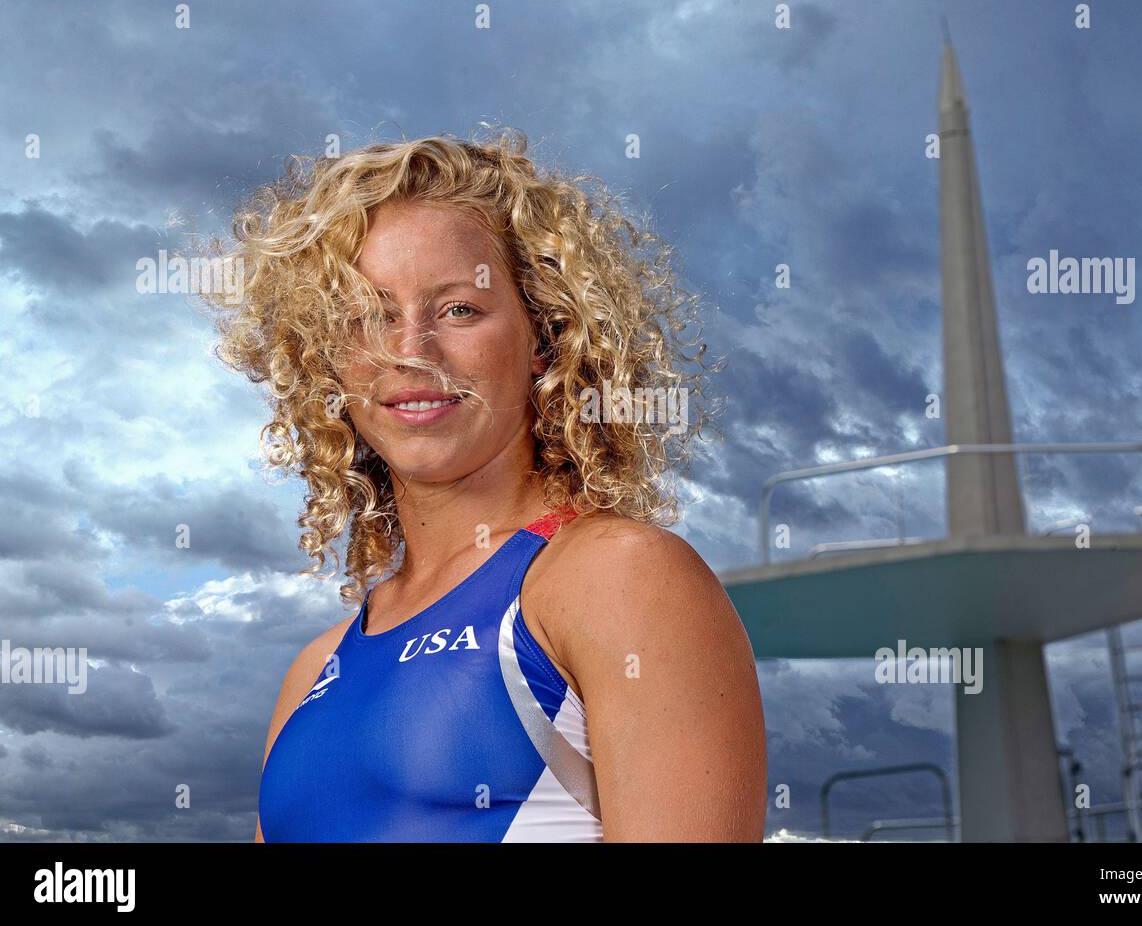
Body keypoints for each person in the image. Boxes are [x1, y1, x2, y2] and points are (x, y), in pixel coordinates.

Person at [200, 130, 767, 841]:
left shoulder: (620, 578)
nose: (411, 351)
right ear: (325, 361)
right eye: (366, 316)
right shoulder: (316, 668)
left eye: (458, 309)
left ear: (544, 336)